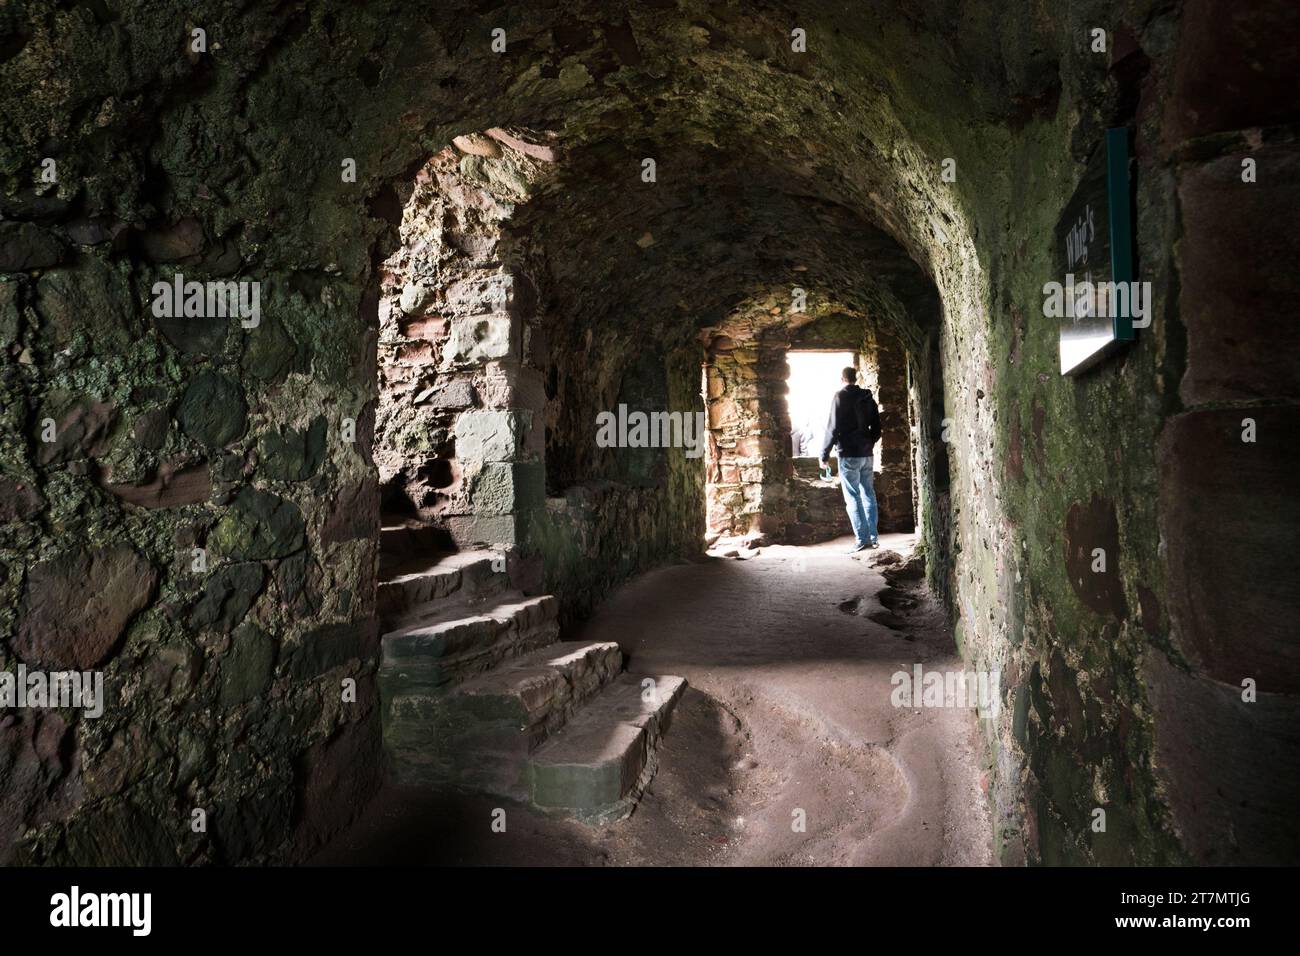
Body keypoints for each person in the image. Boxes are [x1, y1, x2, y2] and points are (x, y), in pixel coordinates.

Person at [819, 367, 881, 553]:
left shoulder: (840, 397)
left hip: (848, 454)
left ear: (842, 378)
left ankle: (862, 540)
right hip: (866, 453)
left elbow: (832, 427)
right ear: (857, 378)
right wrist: (870, 442)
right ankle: (873, 537)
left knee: (853, 496)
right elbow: (877, 425)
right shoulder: (868, 397)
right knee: (868, 493)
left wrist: (824, 455)